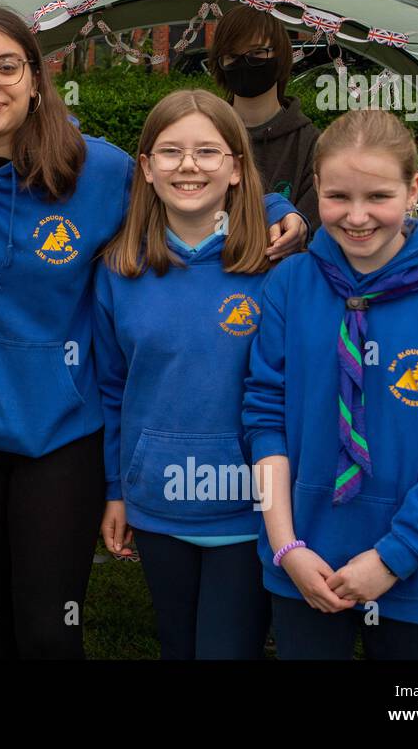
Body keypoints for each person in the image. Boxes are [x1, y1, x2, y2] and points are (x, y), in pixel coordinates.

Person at [0, 5, 307, 659]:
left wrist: (273, 206)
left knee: (50, 627)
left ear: (36, 79)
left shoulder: (99, 170)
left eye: (7, 66)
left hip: (63, 431)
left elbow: (187, 186)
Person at [242, 108, 418, 659]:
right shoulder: (289, 285)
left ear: (413, 190)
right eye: (338, 197)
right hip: (303, 560)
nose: (357, 217)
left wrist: (394, 556)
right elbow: (264, 420)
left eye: (378, 197)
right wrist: (284, 543)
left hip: (417, 568)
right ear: (316, 187)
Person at [94, 89, 273, 659]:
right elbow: (111, 390)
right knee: (176, 647)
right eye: (170, 152)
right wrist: (117, 491)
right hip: (157, 501)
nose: (188, 165)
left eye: (207, 152)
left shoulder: (276, 270)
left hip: (247, 508)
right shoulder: (119, 271)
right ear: (145, 168)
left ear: (237, 168)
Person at [209, 6, 320, 234]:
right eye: (232, 56)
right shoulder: (204, 134)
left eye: (257, 53)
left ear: (280, 56)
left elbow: (310, 231)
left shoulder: (309, 144)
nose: (244, 63)